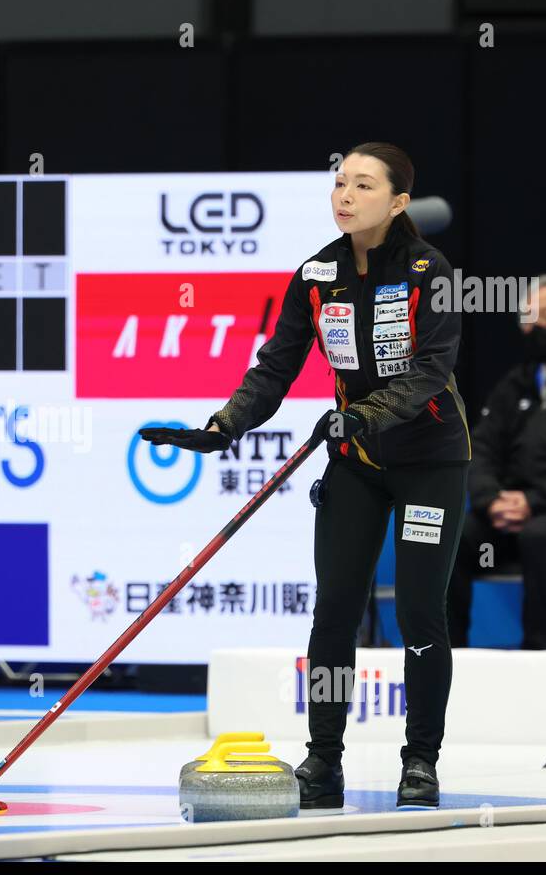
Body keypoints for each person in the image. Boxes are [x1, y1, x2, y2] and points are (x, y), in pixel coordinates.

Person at [141, 142, 470, 809]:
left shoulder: (429, 271)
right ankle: (323, 761)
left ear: (399, 202)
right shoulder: (316, 274)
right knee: (333, 614)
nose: (345, 194)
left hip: (429, 462)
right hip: (355, 460)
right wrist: (221, 428)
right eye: (340, 181)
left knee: (418, 613)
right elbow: (275, 367)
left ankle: (420, 762)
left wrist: (369, 413)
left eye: (364, 185)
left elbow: (430, 369)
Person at [447, 275, 546, 649]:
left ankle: (541, 655)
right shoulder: (515, 386)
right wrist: (491, 500)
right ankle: (446, 657)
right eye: (529, 318)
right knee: (453, 537)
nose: (535, 328)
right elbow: (479, 449)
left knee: (541, 534)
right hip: (505, 521)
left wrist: (535, 502)